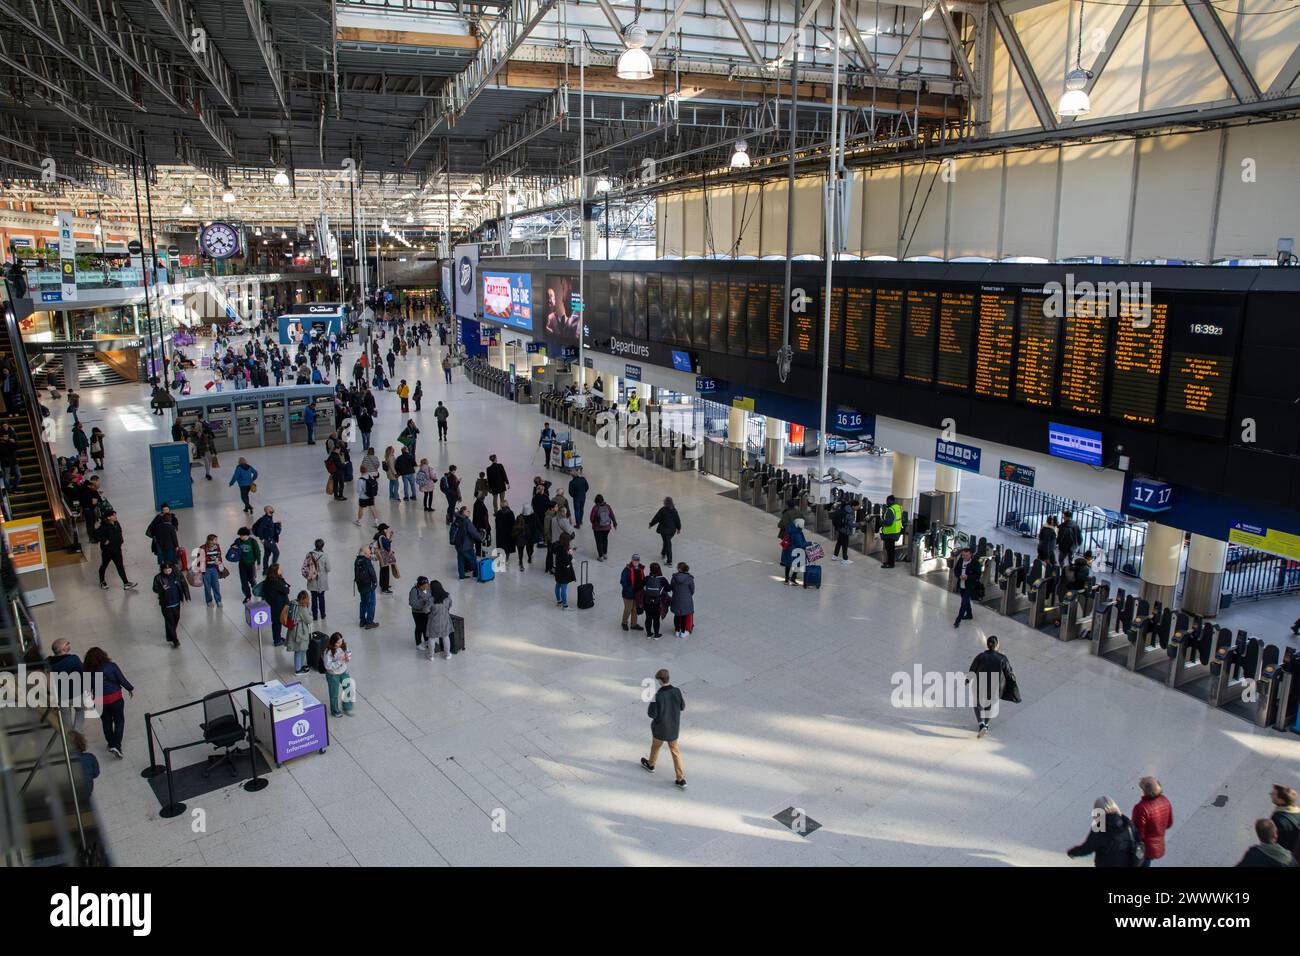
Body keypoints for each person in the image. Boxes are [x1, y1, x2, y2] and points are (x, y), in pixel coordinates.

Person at [83, 646, 133, 758]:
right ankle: (116, 745)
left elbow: (87, 689)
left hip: (100, 701)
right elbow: (121, 679)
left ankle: (111, 743)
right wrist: (130, 688)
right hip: (115, 698)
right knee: (119, 721)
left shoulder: (87, 672)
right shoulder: (111, 666)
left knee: (106, 722)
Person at [640, 668, 686, 789]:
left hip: (660, 729)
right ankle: (680, 779)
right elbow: (682, 706)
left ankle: (651, 765)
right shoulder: (677, 691)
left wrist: (653, 702)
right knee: (676, 752)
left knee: (655, 747)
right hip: (673, 729)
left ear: (660, 680)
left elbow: (652, 714)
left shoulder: (658, 696)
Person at [968, 635, 1017, 738]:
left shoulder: (981, 656)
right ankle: (986, 724)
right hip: (995, 687)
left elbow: (973, 668)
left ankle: (981, 725)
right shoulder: (1002, 658)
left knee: (977, 704)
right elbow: (1009, 673)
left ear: (987, 645)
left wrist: (967, 680)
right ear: (997, 645)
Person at [1067, 797, 1139, 867]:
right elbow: (1137, 841)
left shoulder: (1099, 827)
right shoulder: (1127, 822)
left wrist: (1073, 852)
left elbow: (1088, 848)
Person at [1132, 776, 1173, 866]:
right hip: (1157, 846)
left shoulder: (1141, 808)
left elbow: (1138, 834)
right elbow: (1169, 823)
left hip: (1144, 848)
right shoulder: (1165, 800)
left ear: (1145, 791)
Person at [151, 559, 190, 648]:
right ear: (162, 570)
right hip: (166, 604)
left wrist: (186, 596)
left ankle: (170, 635)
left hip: (176, 602)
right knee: (169, 621)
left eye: (169, 570)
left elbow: (184, 584)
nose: (168, 572)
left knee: (176, 618)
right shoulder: (158, 577)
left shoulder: (177, 575)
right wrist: (161, 589)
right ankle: (175, 640)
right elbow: (154, 588)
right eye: (166, 571)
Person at [96, 511, 137, 590]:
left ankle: (126, 583)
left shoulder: (116, 523)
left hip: (117, 549)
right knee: (104, 566)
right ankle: (102, 581)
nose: (115, 517)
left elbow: (119, 532)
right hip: (107, 551)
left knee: (120, 566)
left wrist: (121, 540)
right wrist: (104, 540)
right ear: (108, 517)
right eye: (113, 516)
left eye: (115, 515)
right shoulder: (104, 526)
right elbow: (96, 535)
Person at [323, 633, 355, 717]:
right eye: (338, 643)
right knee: (334, 694)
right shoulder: (328, 652)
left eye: (341, 642)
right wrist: (340, 661)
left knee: (348, 688)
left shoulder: (343, 646)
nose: (340, 644)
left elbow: (349, 652)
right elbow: (328, 666)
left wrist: (348, 657)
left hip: (343, 671)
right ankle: (335, 710)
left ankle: (347, 707)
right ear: (333, 642)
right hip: (333, 675)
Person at [261, 564, 292, 647]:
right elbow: (286, 590)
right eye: (279, 569)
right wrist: (283, 581)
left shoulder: (268, 581)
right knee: (278, 623)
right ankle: (277, 640)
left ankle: (277, 638)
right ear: (276, 571)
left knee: (276, 623)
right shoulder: (277, 582)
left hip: (272, 605)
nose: (281, 569)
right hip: (279, 606)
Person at [285, 590, 313, 675]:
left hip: (293, 631)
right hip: (300, 632)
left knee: (301, 649)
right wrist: (309, 612)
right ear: (304, 599)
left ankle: (300, 666)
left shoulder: (293, 603)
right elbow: (309, 620)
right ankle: (298, 670)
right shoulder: (302, 609)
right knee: (299, 650)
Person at [1269, 784, 1300, 862]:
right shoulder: (1297, 812)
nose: (1270, 794)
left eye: (1274, 794)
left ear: (1281, 800)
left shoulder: (1278, 819)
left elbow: (1274, 842)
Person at [145, 503, 180, 568]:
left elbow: (175, 526)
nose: (166, 511)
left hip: (169, 540)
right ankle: (166, 567)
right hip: (162, 541)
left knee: (168, 555)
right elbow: (152, 528)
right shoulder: (158, 518)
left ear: (169, 509)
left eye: (167, 509)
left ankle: (169, 567)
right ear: (162, 510)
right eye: (164, 510)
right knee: (166, 556)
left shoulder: (173, 517)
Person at [452, 505, 483, 579]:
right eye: (467, 511)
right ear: (463, 513)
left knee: (461, 560)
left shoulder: (457, 519)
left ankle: (461, 575)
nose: (469, 512)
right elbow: (473, 532)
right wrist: (480, 538)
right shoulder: (466, 521)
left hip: (458, 545)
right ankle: (476, 574)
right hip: (466, 545)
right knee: (472, 559)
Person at [302, 538, 330, 621]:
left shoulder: (309, 554)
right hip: (321, 580)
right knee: (321, 597)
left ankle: (314, 615)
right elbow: (328, 568)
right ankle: (323, 614)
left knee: (313, 597)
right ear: (322, 546)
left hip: (312, 579)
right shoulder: (324, 556)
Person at [194, 533, 225, 607]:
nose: (216, 541)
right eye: (215, 540)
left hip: (214, 569)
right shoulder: (202, 547)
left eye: (216, 539)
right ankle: (209, 601)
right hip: (206, 570)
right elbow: (199, 559)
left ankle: (218, 600)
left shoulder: (217, 546)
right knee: (207, 586)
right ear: (210, 541)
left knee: (216, 586)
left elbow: (219, 555)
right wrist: (210, 559)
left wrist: (219, 561)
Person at [648, 497, 682, 564]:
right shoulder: (674, 510)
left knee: (668, 544)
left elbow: (656, 518)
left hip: (664, 531)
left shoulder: (663, 510)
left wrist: (651, 524)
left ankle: (669, 561)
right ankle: (663, 553)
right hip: (672, 531)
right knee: (666, 542)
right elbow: (677, 520)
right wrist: (679, 528)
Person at [233, 526, 261, 603]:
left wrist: (258, 563)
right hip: (242, 564)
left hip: (251, 565)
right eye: (240, 535)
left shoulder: (253, 542)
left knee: (252, 580)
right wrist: (234, 547)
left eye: (242, 535)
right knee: (244, 581)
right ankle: (248, 596)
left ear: (246, 535)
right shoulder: (238, 541)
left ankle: (257, 592)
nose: (240, 537)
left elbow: (258, 552)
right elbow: (233, 547)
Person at [952, 546, 978, 628]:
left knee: (963, 603)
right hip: (961, 585)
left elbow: (977, 575)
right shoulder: (960, 560)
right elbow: (956, 570)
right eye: (963, 555)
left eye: (966, 555)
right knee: (966, 601)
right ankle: (969, 615)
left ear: (970, 555)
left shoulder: (975, 563)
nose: (964, 557)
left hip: (969, 586)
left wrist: (968, 577)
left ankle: (957, 620)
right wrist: (959, 576)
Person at [426, 580, 454, 658]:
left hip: (434, 621)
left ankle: (431, 656)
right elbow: (450, 604)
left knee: (432, 638)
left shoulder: (431, 599)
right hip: (445, 619)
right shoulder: (447, 596)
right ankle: (447, 654)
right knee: (445, 636)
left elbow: (426, 610)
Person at [354, 545, 379, 628]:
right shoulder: (367, 561)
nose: (370, 553)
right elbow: (372, 573)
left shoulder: (357, 560)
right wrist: (375, 583)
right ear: (364, 553)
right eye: (369, 552)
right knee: (371, 603)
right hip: (369, 586)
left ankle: (362, 621)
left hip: (361, 586)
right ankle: (369, 622)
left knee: (363, 603)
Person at [641, 562, 668, 638]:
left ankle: (649, 634)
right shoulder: (662, 579)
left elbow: (641, 586)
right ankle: (656, 635)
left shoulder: (647, 578)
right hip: (657, 603)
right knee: (656, 619)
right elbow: (668, 588)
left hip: (647, 602)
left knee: (648, 618)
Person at [251, 505, 282, 573]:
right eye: (270, 508)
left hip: (268, 539)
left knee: (267, 554)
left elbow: (269, 527)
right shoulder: (265, 519)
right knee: (276, 553)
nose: (272, 508)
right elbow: (260, 529)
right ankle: (273, 569)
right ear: (267, 511)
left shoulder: (269, 518)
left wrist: (276, 524)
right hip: (268, 540)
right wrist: (262, 539)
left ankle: (265, 570)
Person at [781, 517, 810, 586]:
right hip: (795, 551)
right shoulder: (796, 533)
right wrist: (809, 543)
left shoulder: (790, 528)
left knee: (788, 564)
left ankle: (786, 579)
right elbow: (800, 544)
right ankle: (793, 579)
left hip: (787, 550)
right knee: (799, 563)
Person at [620, 554, 646, 631]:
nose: (636, 562)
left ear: (639, 561)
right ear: (632, 560)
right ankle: (624, 623)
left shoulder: (641, 569)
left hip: (637, 594)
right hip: (628, 594)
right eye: (634, 560)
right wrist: (629, 590)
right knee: (628, 609)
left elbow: (642, 579)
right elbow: (623, 582)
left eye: (637, 560)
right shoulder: (626, 570)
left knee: (635, 609)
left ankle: (633, 624)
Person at [669, 562, 695, 639]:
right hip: (686, 600)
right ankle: (683, 632)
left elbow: (672, 587)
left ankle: (677, 631)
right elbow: (692, 590)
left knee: (677, 615)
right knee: (684, 616)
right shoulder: (689, 578)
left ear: (679, 569)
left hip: (676, 598)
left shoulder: (674, 577)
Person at [589, 494, 617, 561]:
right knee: (605, 540)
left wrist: (594, 523)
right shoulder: (608, 506)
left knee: (599, 541)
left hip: (597, 528)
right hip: (607, 528)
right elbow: (612, 515)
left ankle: (600, 556)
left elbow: (591, 518)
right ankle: (605, 554)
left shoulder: (595, 508)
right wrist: (615, 523)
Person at [553, 531, 575, 609]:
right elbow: (566, 561)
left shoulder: (557, 547)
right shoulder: (563, 550)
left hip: (558, 571)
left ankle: (559, 601)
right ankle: (565, 605)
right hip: (564, 572)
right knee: (564, 588)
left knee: (558, 585)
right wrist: (571, 555)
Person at [409, 576, 434, 647]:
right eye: (423, 587)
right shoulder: (414, 591)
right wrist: (423, 603)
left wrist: (429, 603)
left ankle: (426, 641)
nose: (425, 588)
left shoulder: (428, 588)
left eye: (426, 586)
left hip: (427, 612)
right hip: (417, 613)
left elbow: (431, 597)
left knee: (426, 627)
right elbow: (412, 603)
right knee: (419, 627)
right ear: (419, 585)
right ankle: (418, 643)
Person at [880, 495, 903, 568]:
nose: (886, 502)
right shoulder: (898, 507)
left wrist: (882, 522)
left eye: (887, 501)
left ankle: (890, 564)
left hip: (889, 532)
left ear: (890, 501)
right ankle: (889, 562)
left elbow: (889, 522)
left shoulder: (890, 510)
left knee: (889, 549)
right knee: (891, 549)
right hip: (896, 531)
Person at [830, 498, 856, 562]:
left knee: (839, 542)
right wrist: (859, 524)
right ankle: (845, 559)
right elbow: (850, 523)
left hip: (840, 528)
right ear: (852, 505)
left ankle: (835, 556)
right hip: (845, 530)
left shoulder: (843, 509)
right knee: (845, 544)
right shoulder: (849, 511)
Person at [374, 524, 396, 593]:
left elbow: (385, 543)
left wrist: (390, 536)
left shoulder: (378, 536)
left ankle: (382, 584)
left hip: (380, 555)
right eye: (386, 529)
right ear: (383, 529)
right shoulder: (382, 537)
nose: (387, 530)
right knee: (386, 572)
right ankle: (385, 588)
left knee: (382, 570)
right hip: (384, 556)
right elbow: (387, 546)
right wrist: (391, 551)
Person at [513, 505, 535, 570]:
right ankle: (529, 557)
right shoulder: (533, 516)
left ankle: (520, 562)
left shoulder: (519, 517)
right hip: (529, 537)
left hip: (520, 539)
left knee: (520, 551)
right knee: (529, 548)